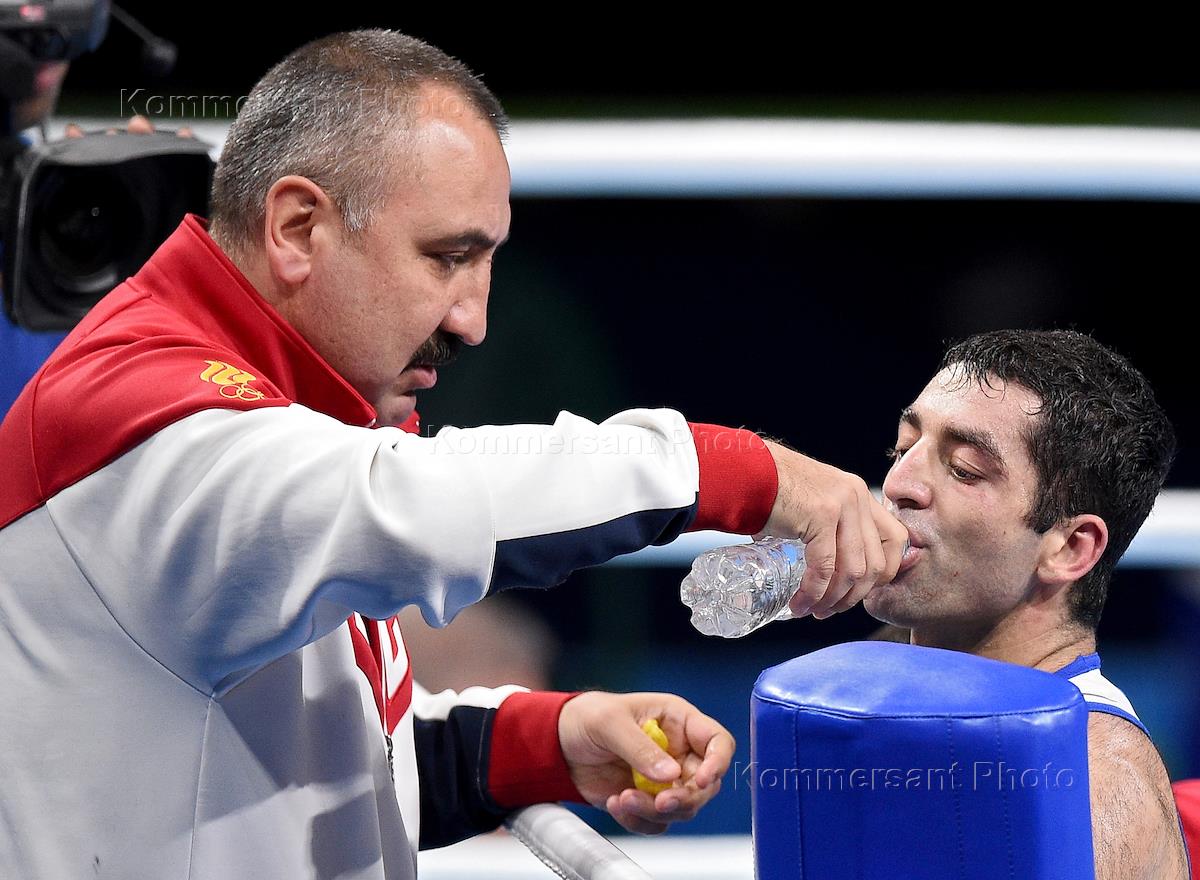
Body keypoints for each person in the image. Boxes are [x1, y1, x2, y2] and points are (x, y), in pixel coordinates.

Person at [0, 29, 905, 879]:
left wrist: (545, 742)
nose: (472, 320)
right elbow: (429, 506)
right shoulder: (148, 413)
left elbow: (288, 758)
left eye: (486, 263)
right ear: (297, 230)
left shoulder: (283, 422)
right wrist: (751, 473)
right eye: (446, 258)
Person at [865, 328, 1186, 879]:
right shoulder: (894, 693)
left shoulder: (1088, 779)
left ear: (1068, 548)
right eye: (902, 447)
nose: (899, 483)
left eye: (964, 469)